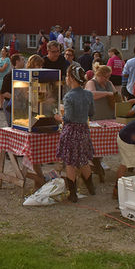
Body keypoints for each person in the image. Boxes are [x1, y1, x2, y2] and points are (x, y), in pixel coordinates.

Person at [54, 64, 96, 202]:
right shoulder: (88, 94)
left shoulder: (68, 96)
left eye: (67, 76)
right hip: (84, 130)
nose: (66, 78)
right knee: (84, 160)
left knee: (70, 163)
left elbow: (68, 118)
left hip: (71, 131)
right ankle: (91, 187)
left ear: (71, 78)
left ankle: (73, 193)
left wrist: (59, 118)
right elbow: (91, 113)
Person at [0, 47, 11, 111]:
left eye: (3, 51)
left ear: (6, 52)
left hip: (5, 78)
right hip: (0, 77)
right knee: (0, 92)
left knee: (5, 92)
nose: (2, 52)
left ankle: (7, 105)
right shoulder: (0, 59)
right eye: (1, 51)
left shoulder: (7, 60)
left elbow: (3, 69)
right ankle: (1, 106)